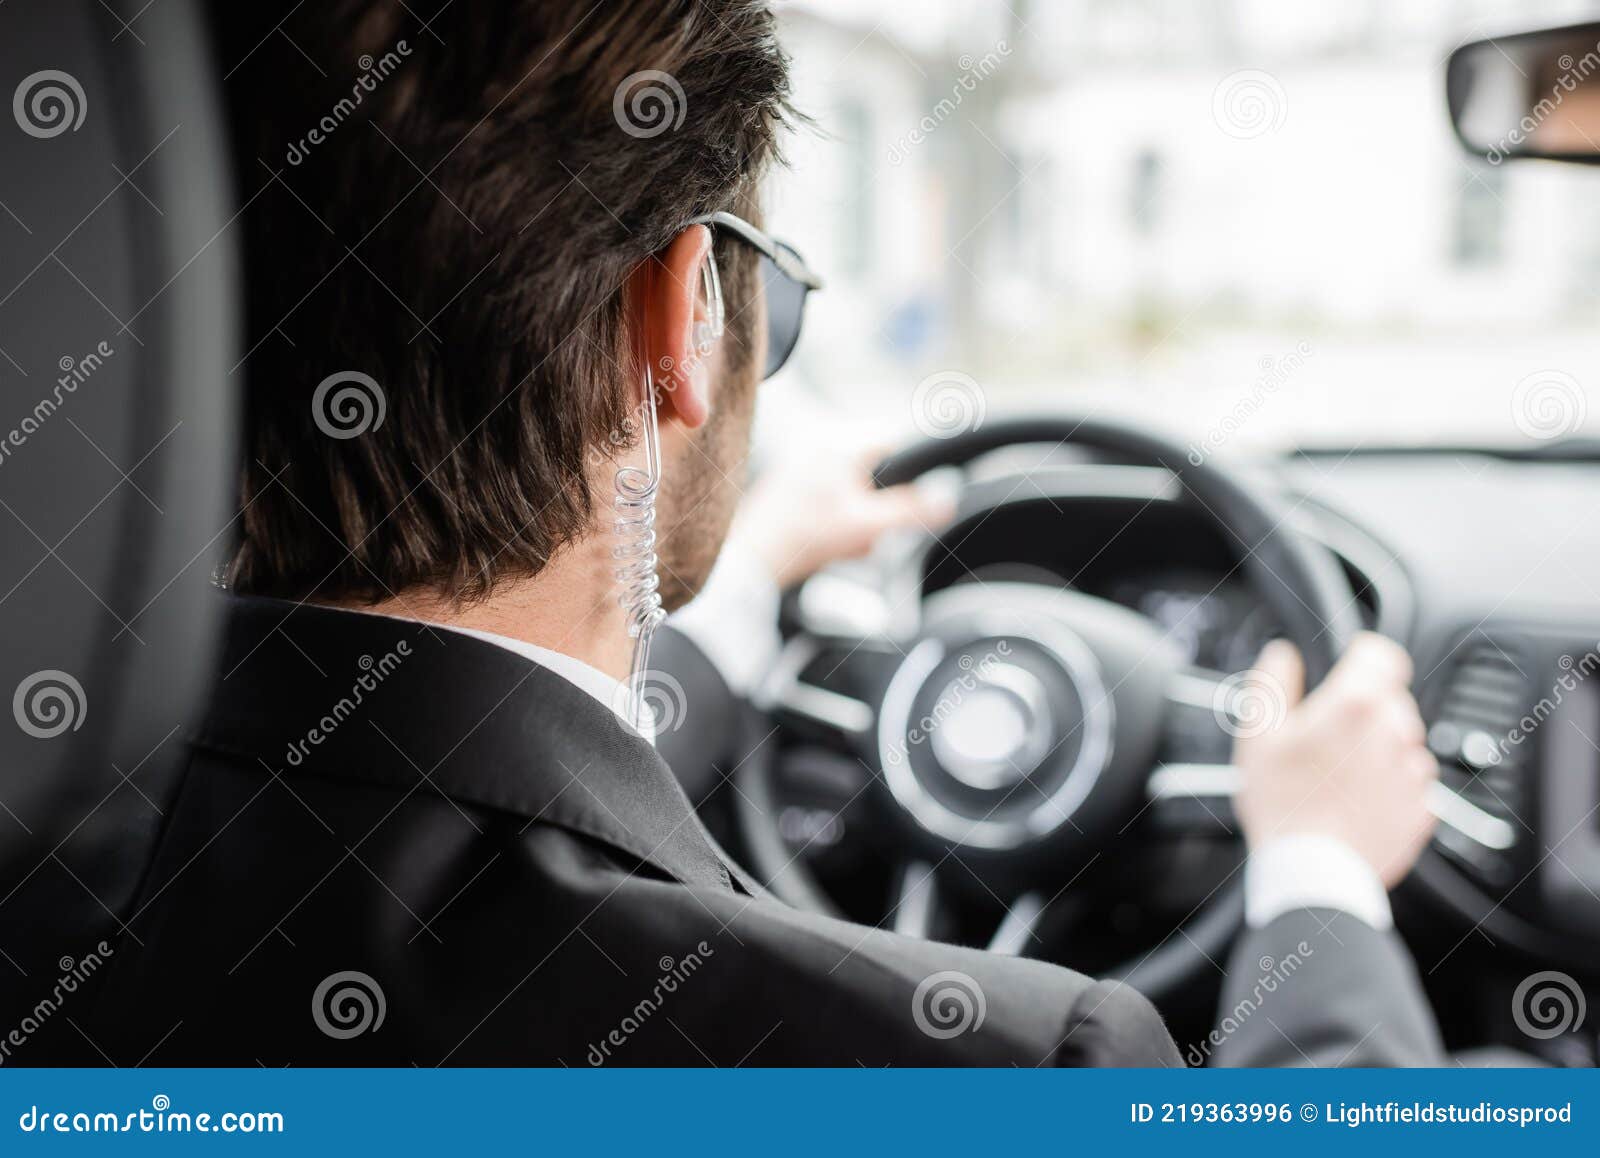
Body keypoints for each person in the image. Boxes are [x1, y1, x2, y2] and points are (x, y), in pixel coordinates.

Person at [82, 0, 1442, 1065]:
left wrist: (727, 616)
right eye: (769, 305)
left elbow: (427, 788)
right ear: (684, 319)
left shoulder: (60, 883)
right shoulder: (1004, 1067)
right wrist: (1317, 877)